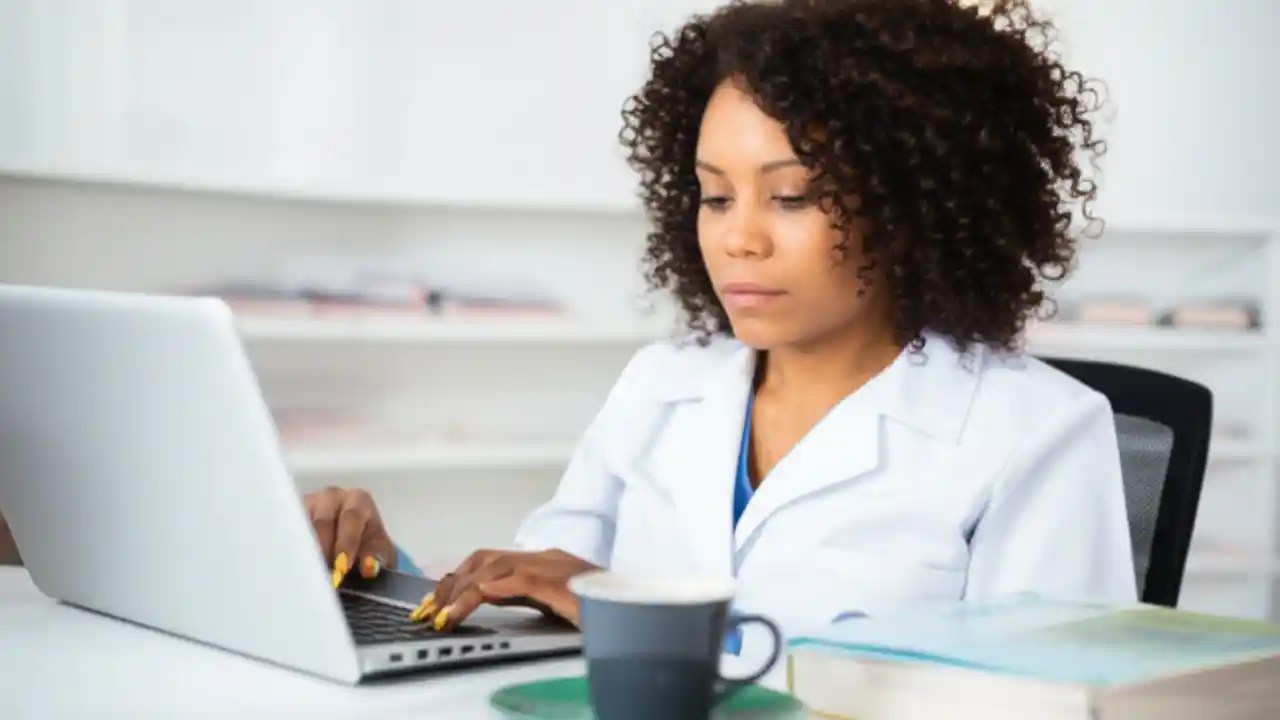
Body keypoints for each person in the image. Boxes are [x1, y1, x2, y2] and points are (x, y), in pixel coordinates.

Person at [306, 0, 1137, 648]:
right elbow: (536, 593)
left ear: (913, 205)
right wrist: (383, 576)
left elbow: (1043, 700)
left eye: (792, 196)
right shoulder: (664, 383)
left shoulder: (1039, 433)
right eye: (713, 195)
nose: (738, 237)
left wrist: (644, 618)